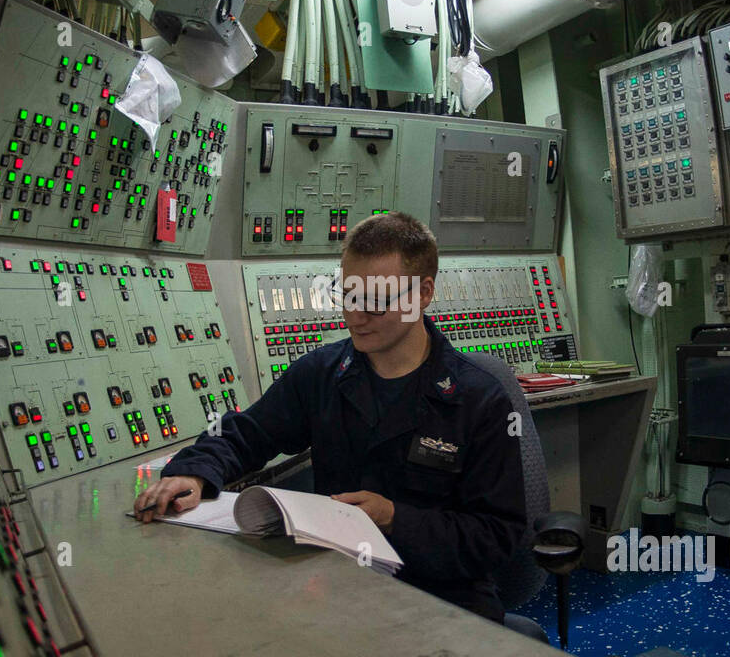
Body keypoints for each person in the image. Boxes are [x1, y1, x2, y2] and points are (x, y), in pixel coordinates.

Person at [132, 212, 526, 623]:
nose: (355, 315)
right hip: (341, 589)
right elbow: (246, 433)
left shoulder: (479, 399)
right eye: (348, 294)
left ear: (423, 293)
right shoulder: (322, 373)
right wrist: (194, 473)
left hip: (446, 601)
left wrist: (393, 518)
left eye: (375, 301)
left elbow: (496, 537)